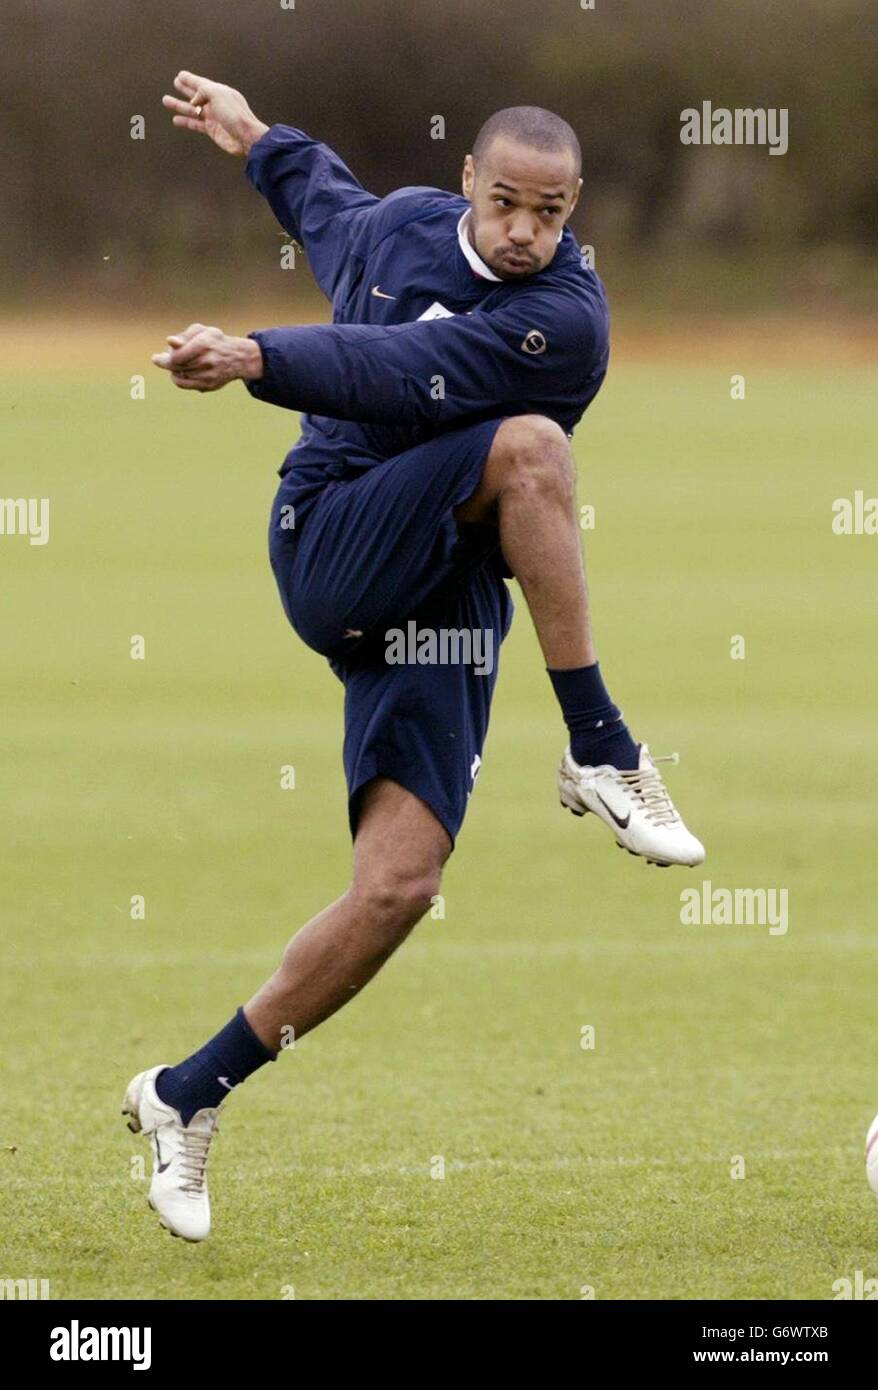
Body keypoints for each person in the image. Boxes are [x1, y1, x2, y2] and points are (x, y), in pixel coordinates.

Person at [125, 71, 704, 1242]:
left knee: (397, 889)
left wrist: (254, 355)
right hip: (333, 534)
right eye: (505, 204)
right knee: (530, 451)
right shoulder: (398, 231)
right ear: (467, 188)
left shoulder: (567, 320)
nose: (526, 231)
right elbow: (322, 203)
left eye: (549, 212)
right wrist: (252, 135)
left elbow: (405, 372)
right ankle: (599, 745)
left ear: (573, 206)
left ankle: (184, 1096)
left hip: (439, 597)